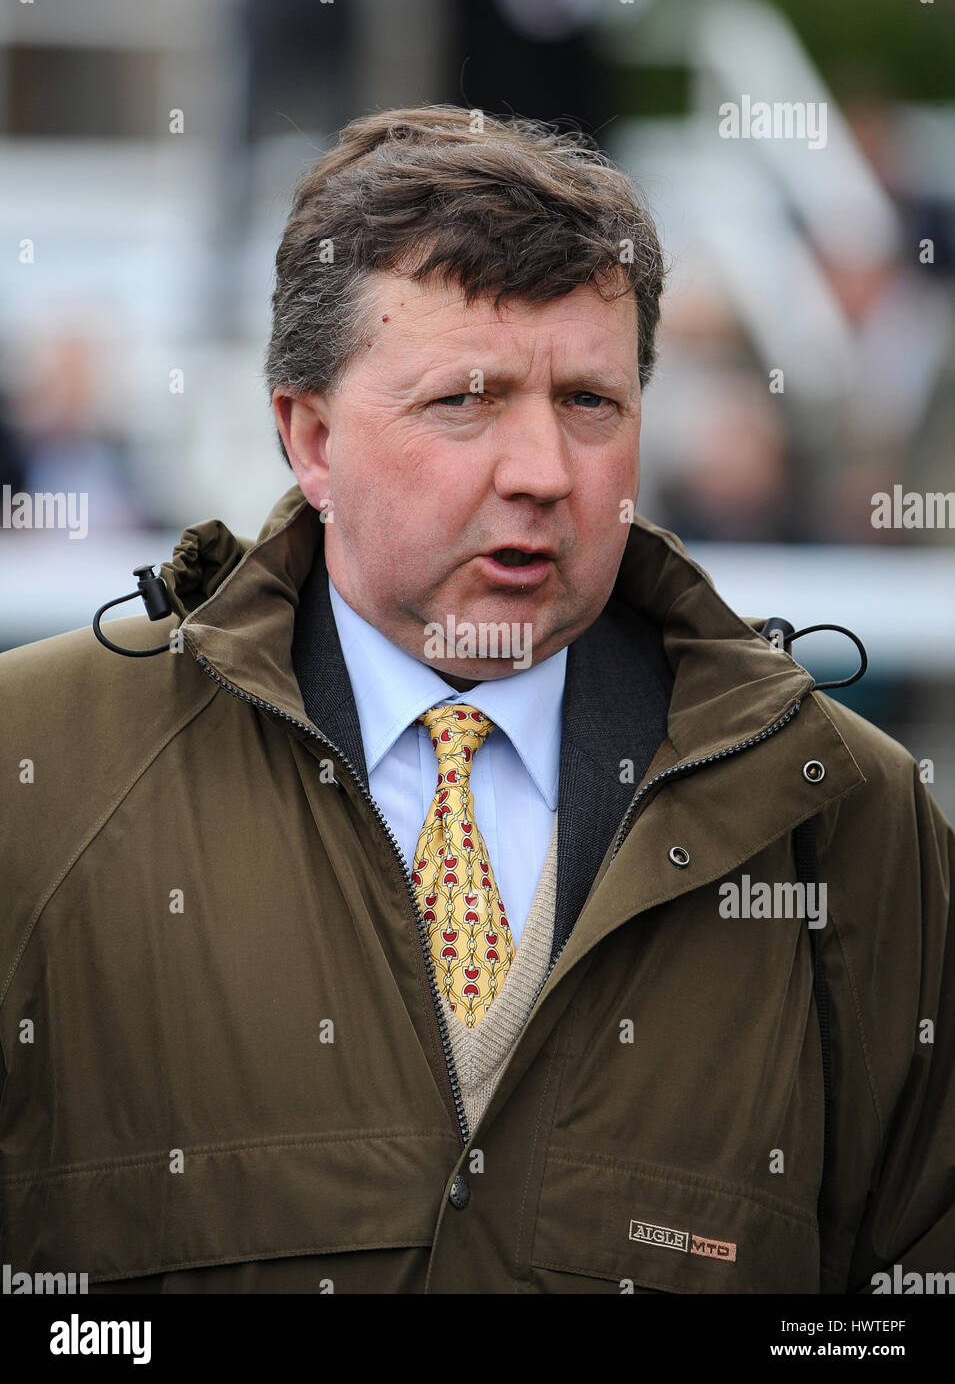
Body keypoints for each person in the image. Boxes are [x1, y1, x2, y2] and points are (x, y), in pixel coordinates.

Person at [1, 105, 952, 1296]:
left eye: (590, 405)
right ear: (309, 435)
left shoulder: (840, 813)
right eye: (466, 399)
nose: (543, 472)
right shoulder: (34, 773)